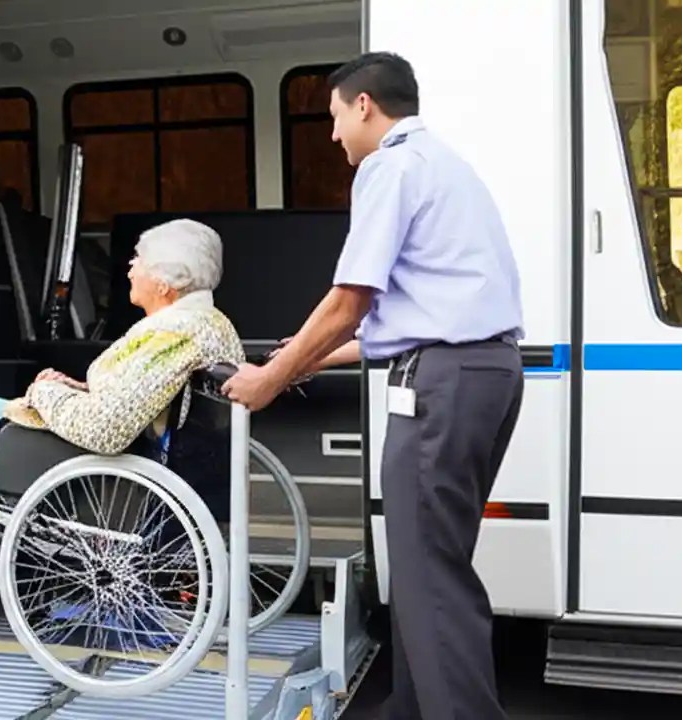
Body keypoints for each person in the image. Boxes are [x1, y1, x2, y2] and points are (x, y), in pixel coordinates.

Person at [222, 52, 524, 720]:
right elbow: (404, 320)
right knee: (429, 573)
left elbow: (351, 298)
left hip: (440, 387)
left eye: (333, 117)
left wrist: (270, 378)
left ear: (364, 106)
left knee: (430, 580)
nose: (332, 136)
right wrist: (300, 360)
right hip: (488, 375)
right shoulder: (448, 165)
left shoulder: (389, 166)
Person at [0, 218, 246, 591]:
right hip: (145, 457)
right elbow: (142, 398)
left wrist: (45, 393)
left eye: (139, 259)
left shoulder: (171, 334)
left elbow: (106, 430)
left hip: (107, 470)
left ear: (165, 282)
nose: (130, 267)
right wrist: (75, 388)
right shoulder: (206, 323)